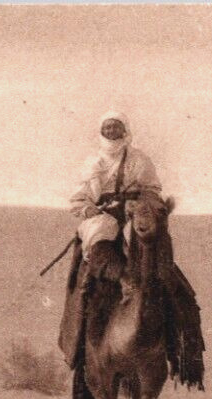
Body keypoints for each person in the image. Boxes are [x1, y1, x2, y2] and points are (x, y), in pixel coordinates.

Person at [68, 110, 162, 303]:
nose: (111, 131)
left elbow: (152, 190)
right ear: (101, 131)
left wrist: (138, 203)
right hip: (101, 214)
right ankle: (122, 280)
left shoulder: (139, 159)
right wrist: (88, 209)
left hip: (132, 211)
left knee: (141, 236)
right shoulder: (92, 163)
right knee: (99, 231)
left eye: (115, 126)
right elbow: (78, 199)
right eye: (107, 127)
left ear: (124, 130)